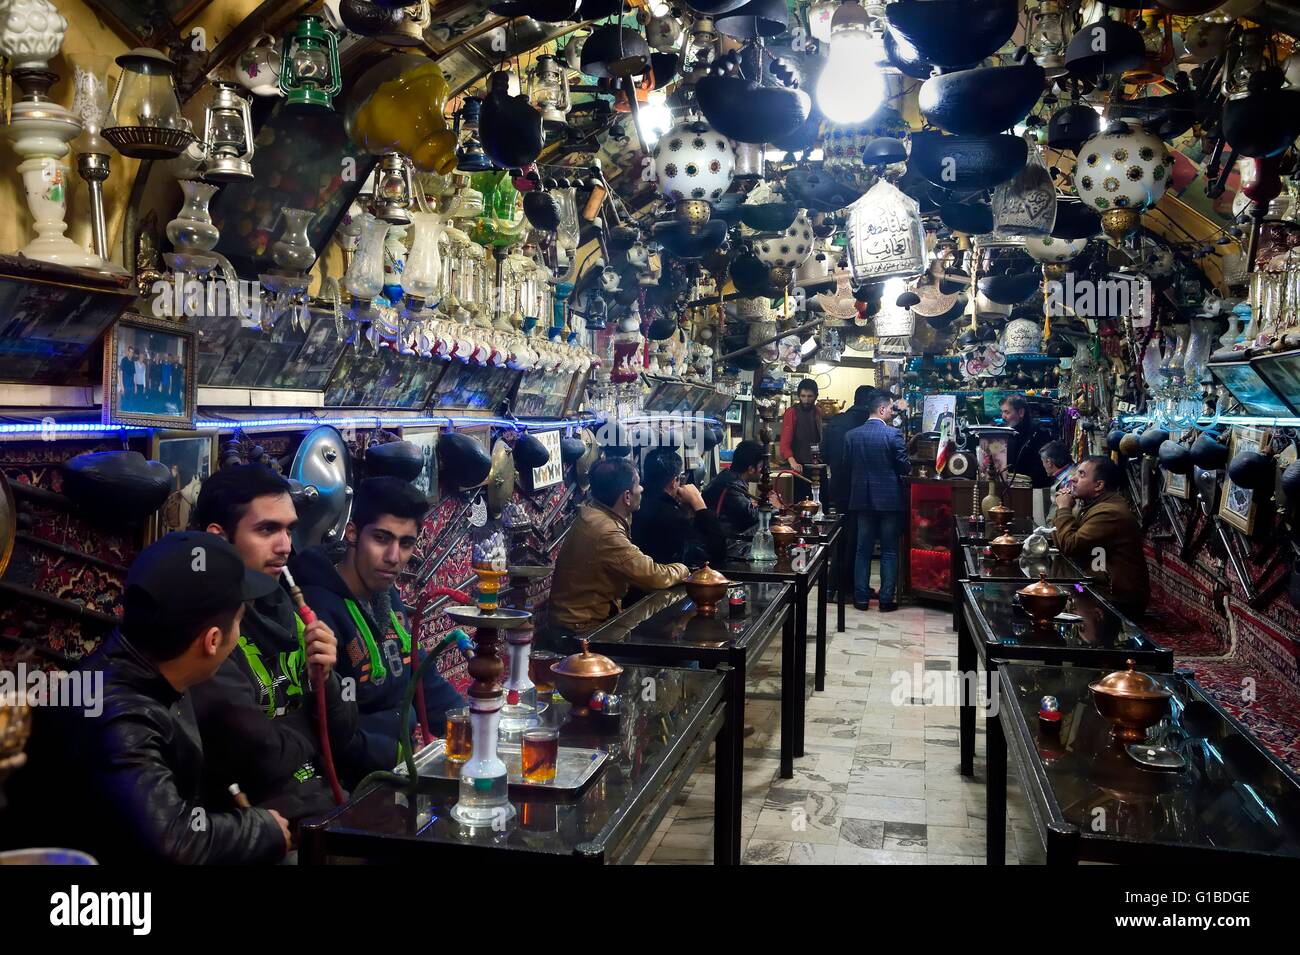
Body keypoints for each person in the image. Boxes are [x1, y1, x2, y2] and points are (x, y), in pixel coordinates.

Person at [12, 532, 292, 864]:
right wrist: (262, 830)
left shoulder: (156, 666)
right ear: (212, 640)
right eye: (239, 622)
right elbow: (174, 843)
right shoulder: (119, 717)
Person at [188, 464, 357, 823]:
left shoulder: (290, 608)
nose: (285, 547)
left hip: (325, 802)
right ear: (219, 538)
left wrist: (325, 681)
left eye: (289, 529)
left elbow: (344, 733)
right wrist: (313, 718)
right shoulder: (204, 628)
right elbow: (263, 757)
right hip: (265, 826)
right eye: (267, 530)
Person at [294, 477, 465, 785]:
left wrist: (473, 724)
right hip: (360, 784)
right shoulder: (317, 612)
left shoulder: (385, 594)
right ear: (353, 533)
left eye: (406, 543)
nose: (393, 557)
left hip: (402, 764)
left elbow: (421, 675)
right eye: (382, 539)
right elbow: (328, 732)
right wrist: (400, 755)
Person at [547, 457, 690, 639]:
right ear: (627, 496)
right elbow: (653, 575)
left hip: (577, 623)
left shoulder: (594, 512)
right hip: (581, 631)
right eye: (638, 484)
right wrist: (684, 569)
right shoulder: (606, 532)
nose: (642, 489)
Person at [1052, 455, 1150, 618]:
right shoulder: (1092, 506)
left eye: (1081, 475)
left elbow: (1069, 545)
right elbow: (1064, 539)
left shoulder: (1109, 512)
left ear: (1098, 485)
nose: (1073, 479)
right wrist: (1067, 509)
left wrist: (1063, 509)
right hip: (1092, 585)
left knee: (1062, 595)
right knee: (1068, 586)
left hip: (1115, 599)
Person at [843, 391, 910, 612]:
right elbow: (904, 467)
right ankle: (886, 599)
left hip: (861, 499)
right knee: (890, 550)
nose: (892, 411)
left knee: (862, 550)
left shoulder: (852, 435)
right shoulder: (893, 435)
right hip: (890, 500)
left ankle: (861, 599)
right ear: (881, 409)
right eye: (890, 408)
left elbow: (847, 465)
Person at [631, 446, 727, 570]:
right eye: (681, 477)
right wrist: (699, 505)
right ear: (674, 481)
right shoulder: (674, 517)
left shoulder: (635, 504)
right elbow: (717, 552)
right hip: (667, 582)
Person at [703, 438, 769, 558]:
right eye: (760, 467)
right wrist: (774, 507)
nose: (763, 472)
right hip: (727, 546)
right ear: (750, 469)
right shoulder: (731, 485)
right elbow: (751, 516)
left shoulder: (728, 476)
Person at [1001, 394, 1051, 488]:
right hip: (1008, 486)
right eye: (1002, 412)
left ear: (1021, 412)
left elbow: (1043, 467)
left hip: (1032, 488)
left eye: (1007, 412)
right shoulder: (1005, 433)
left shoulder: (1038, 432)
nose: (1003, 416)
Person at [779, 378, 823, 475]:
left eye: (810, 396)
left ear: (816, 396)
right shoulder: (792, 412)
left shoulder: (817, 411)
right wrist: (792, 461)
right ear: (799, 396)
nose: (806, 400)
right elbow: (785, 442)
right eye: (803, 396)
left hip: (815, 463)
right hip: (797, 464)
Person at [1039, 440, 1076, 522]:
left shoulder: (1069, 479)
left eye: (1042, 462)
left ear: (1049, 462)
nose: (1043, 465)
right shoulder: (1070, 473)